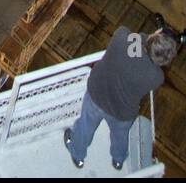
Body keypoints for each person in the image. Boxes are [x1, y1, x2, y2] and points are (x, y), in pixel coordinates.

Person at [64, 25, 178, 171]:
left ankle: (77, 153)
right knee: (120, 136)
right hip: (122, 113)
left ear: (154, 37)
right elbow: (146, 59)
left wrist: (150, 36)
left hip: (97, 94)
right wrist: (153, 43)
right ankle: (118, 160)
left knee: (86, 125)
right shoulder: (157, 77)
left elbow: (137, 39)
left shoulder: (122, 37)